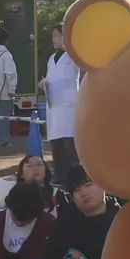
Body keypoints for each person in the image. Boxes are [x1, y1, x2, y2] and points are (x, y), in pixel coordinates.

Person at [41, 22, 81, 170]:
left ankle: (73, 174)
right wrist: (43, 83)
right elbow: (51, 78)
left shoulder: (73, 56)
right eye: (53, 36)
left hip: (68, 105)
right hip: (53, 105)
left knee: (69, 142)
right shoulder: (52, 58)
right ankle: (59, 174)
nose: (53, 39)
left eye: (56, 36)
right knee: (56, 141)